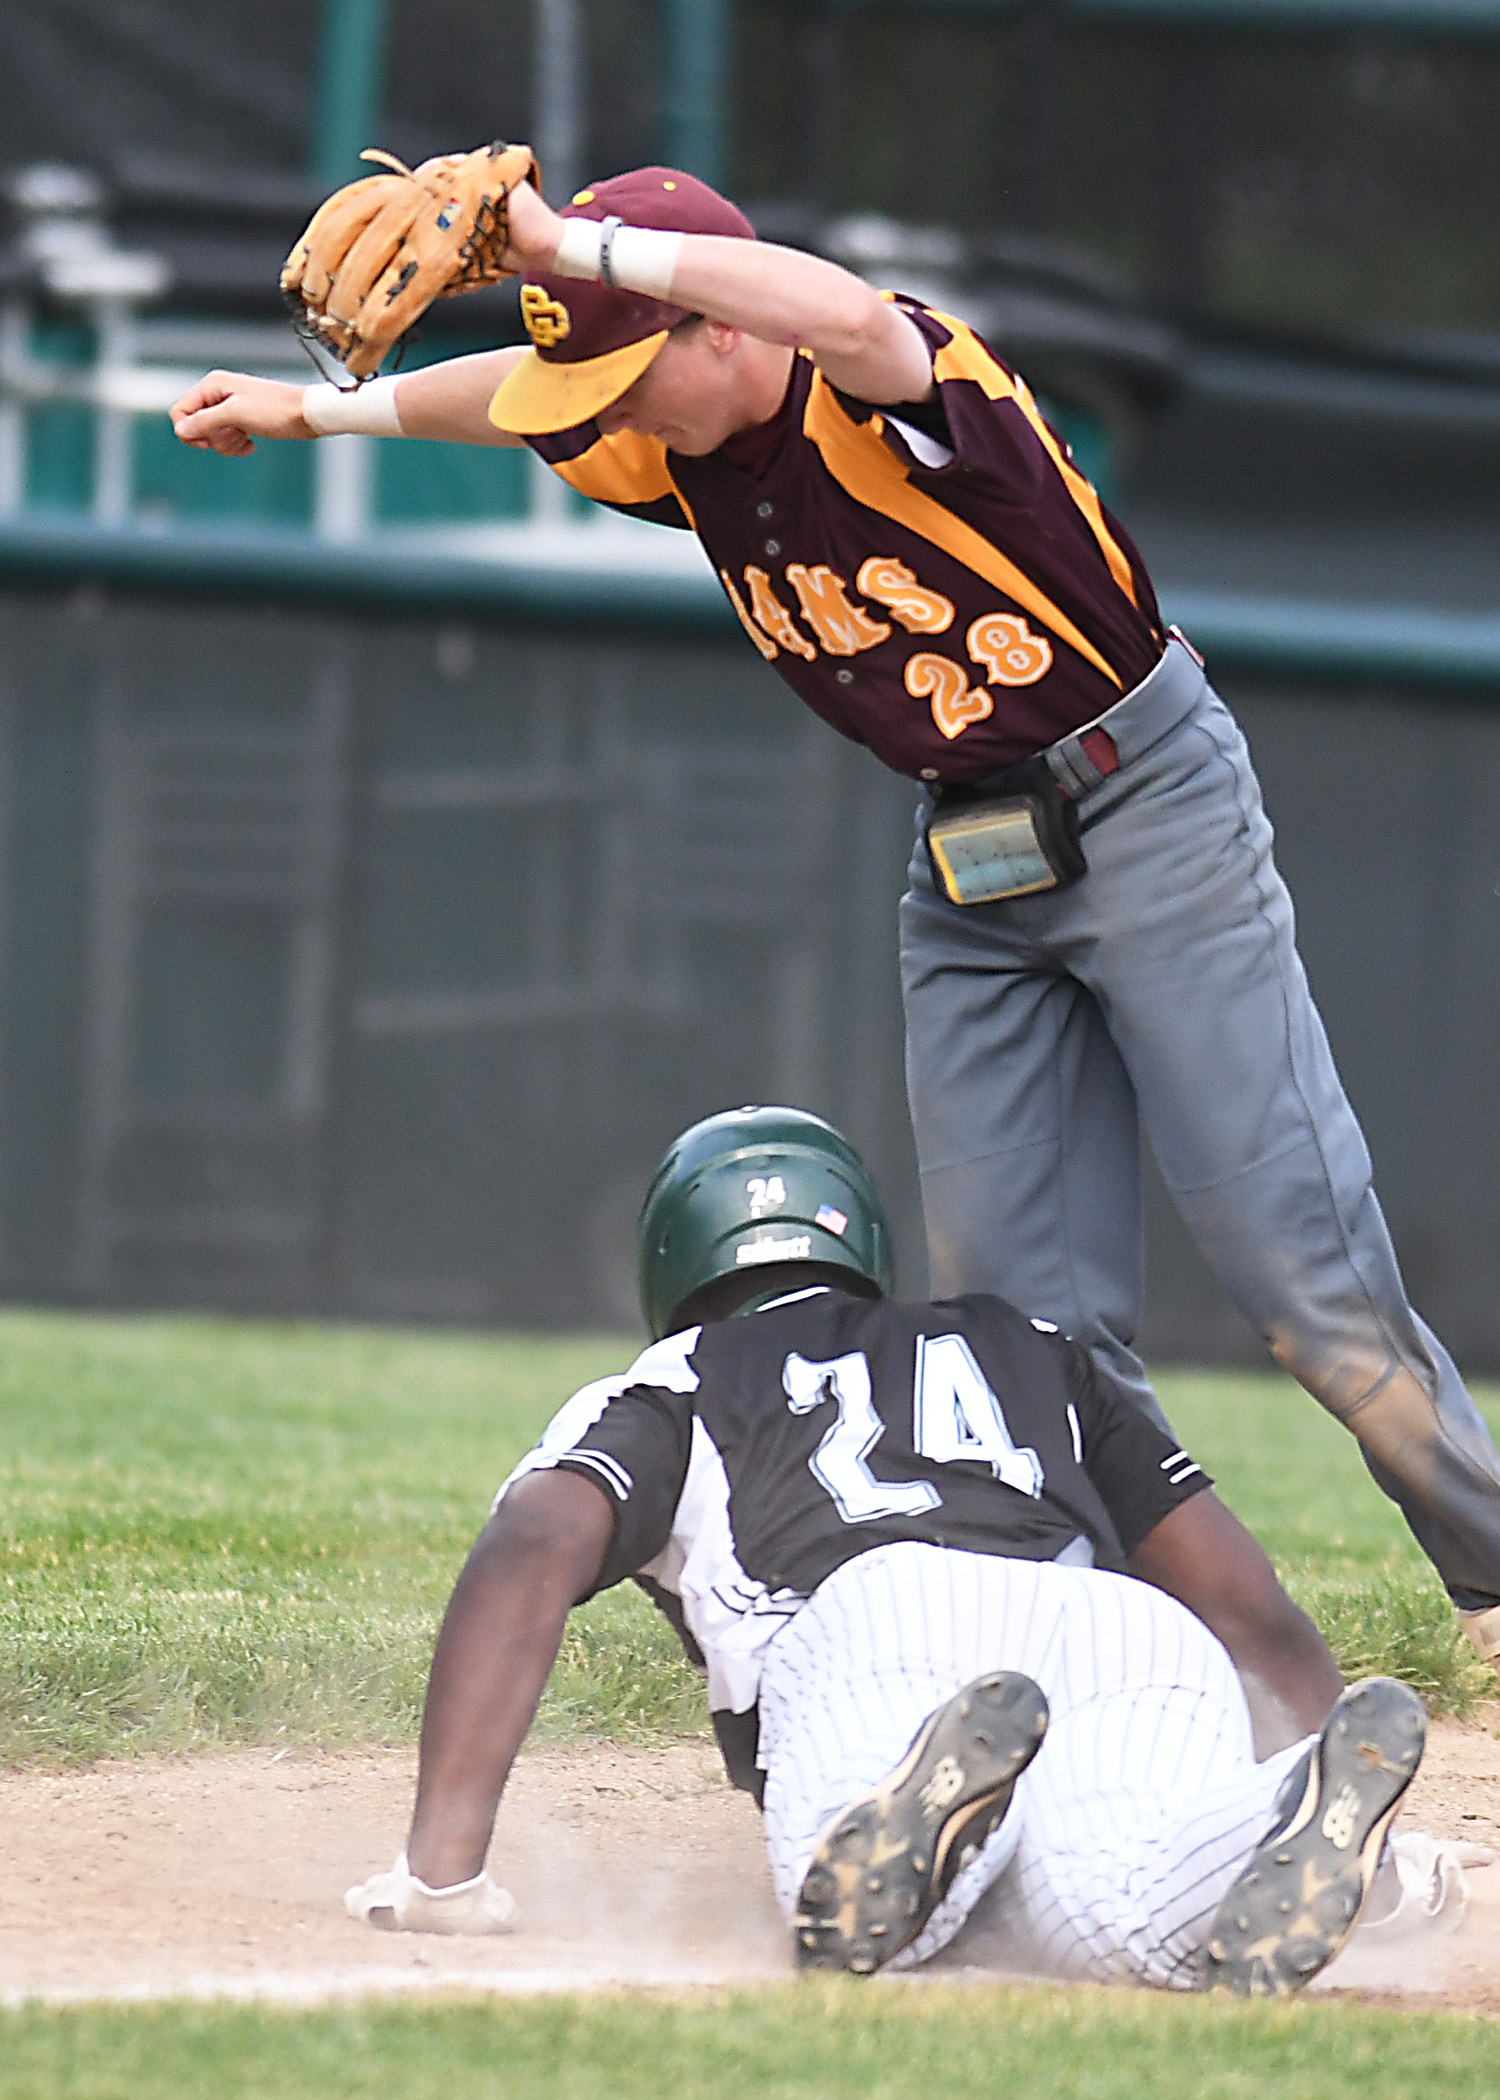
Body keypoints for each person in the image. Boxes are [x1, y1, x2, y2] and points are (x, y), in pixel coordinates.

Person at [170, 165, 1500, 1664]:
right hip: (975, 865)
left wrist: (572, 243)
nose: (607, 409)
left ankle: (1493, 1571)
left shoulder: (891, 393)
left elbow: (847, 312)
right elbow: (517, 396)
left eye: (633, 363)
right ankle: (1082, 1643)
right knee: (1019, 1333)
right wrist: (315, 412)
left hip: (1150, 808)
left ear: (722, 328)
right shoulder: (678, 445)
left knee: (1302, 1285)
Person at [343, 1104, 1428, 1994]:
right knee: (1124, 1912)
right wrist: (1332, 1750)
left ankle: (920, 1800)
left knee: (875, 1923)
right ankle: (1280, 1805)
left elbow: (533, 1544)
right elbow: (1244, 1607)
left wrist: (443, 1871)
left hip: (881, 1625)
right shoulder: (1031, 1346)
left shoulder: (674, 1379)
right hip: (1122, 1636)